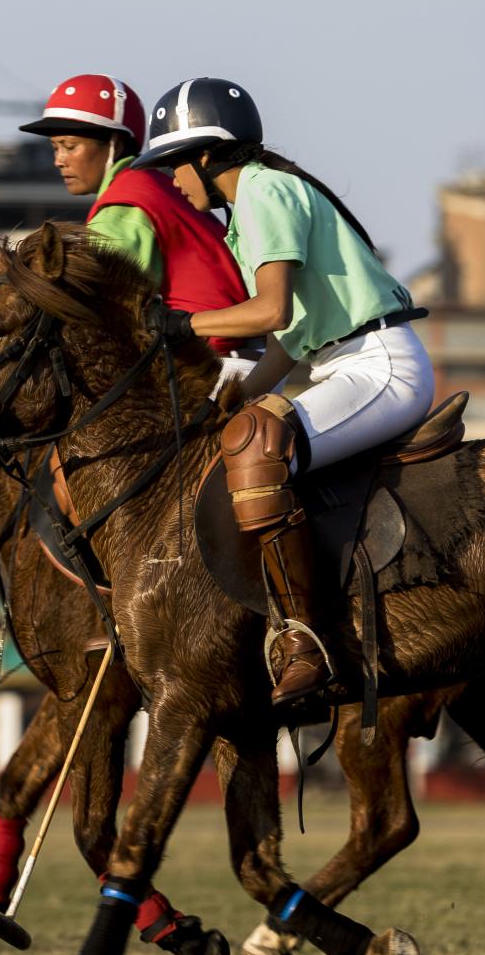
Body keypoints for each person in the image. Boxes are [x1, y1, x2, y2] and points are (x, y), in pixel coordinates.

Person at [133, 77, 437, 705]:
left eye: (172, 164)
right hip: (339, 363)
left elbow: (268, 311)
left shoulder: (262, 192)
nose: (171, 181)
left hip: (378, 367)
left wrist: (182, 325)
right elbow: (290, 342)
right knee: (237, 429)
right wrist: (232, 396)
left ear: (209, 154)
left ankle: (307, 641)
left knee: (255, 448)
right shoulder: (255, 203)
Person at [18, 74, 250, 356]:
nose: (59, 160)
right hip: (232, 352)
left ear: (114, 142)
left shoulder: (123, 205)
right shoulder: (156, 183)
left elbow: (100, 316)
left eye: (69, 146)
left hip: (206, 365)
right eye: (55, 148)